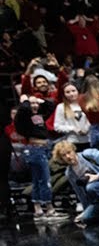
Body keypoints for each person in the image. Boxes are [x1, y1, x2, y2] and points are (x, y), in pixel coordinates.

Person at [17, 70, 64, 220]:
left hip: (43, 148)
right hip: (35, 149)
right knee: (45, 179)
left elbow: (51, 107)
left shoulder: (38, 115)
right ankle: (49, 208)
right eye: (32, 104)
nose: (35, 105)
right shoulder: (24, 116)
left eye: (36, 103)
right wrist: (25, 101)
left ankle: (38, 209)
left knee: (38, 180)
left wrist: (40, 101)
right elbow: (24, 108)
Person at [52, 81, 90, 147]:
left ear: (78, 91)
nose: (71, 94)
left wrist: (86, 128)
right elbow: (57, 126)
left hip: (88, 140)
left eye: (73, 91)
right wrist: (73, 129)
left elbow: (92, 121)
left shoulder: (87, 104)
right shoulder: (61, 107)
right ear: (64, 94)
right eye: (68, 92)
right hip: (72, 142)